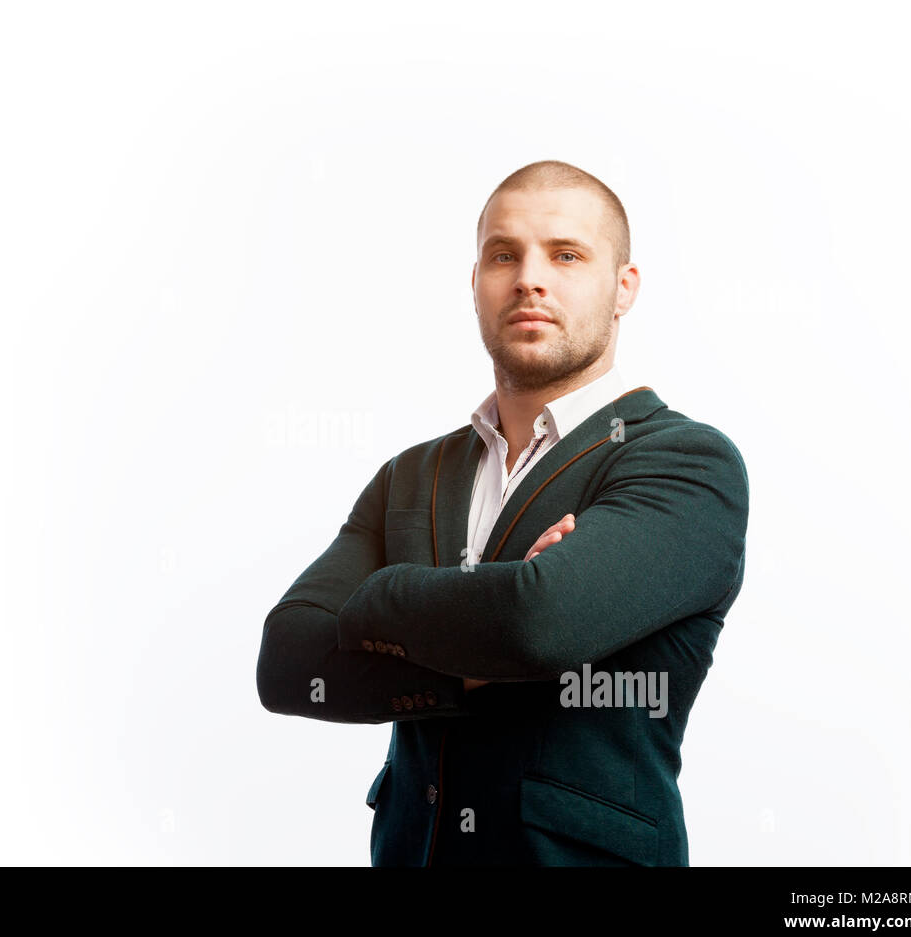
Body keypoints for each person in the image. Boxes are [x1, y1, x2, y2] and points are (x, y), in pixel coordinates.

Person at [255, 160, 750, 866]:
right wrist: (479, 644)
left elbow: (534, 624)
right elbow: (288, 661)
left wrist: (381, 599)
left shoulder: (685, 463)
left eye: (567, 254)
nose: (529, 278)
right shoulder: (411, 475)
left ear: (624, 287)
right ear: (477, 283)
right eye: (503, 254)